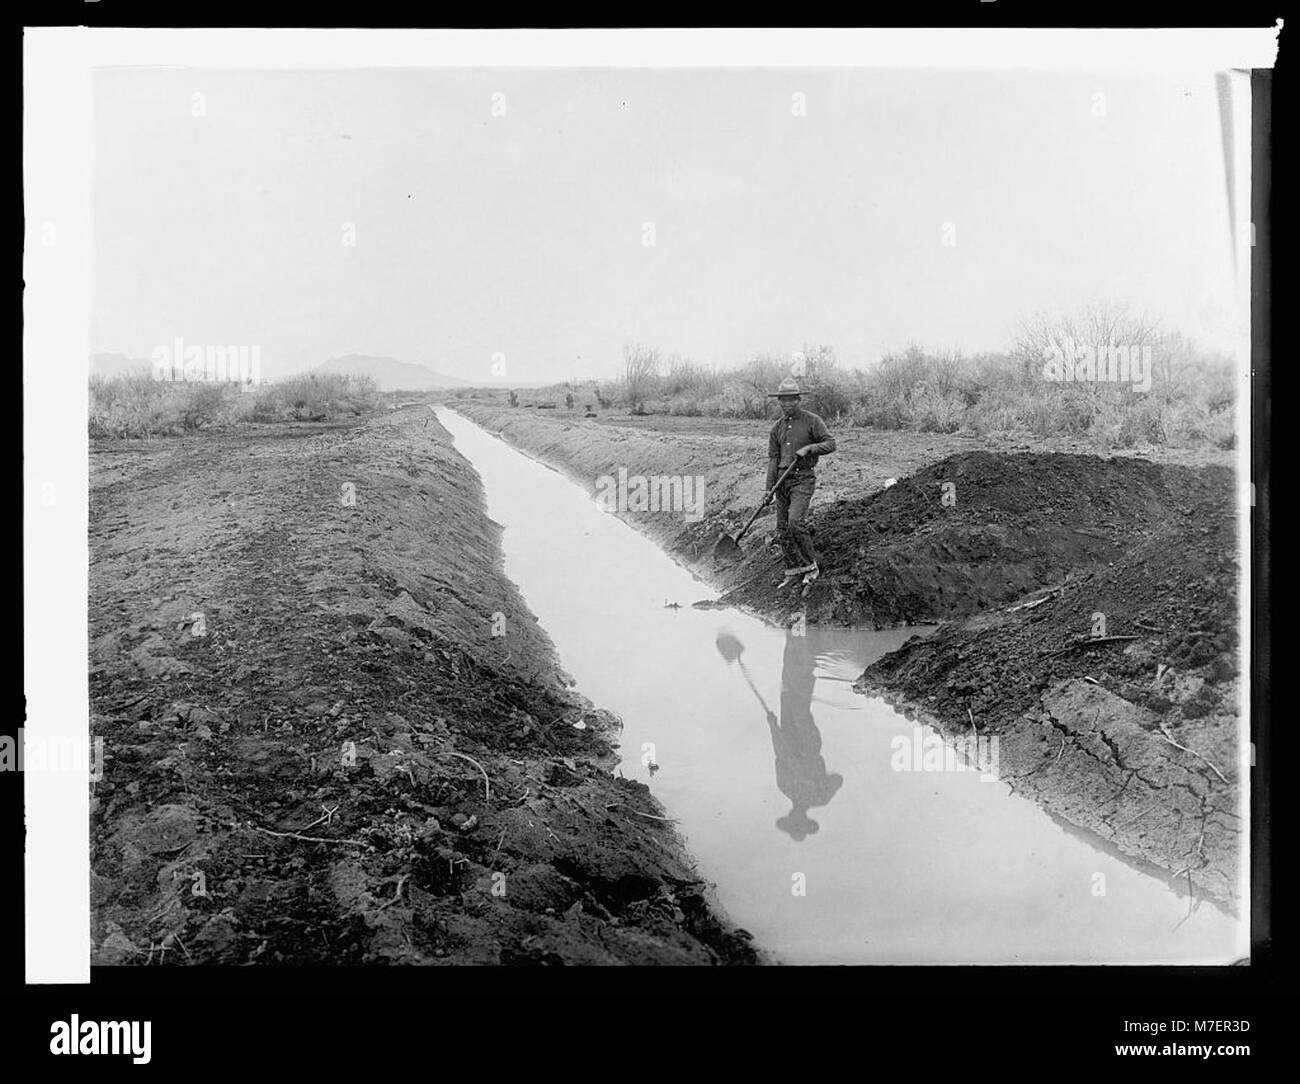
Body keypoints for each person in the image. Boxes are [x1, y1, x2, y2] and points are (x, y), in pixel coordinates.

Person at [765, 377, 836, 580]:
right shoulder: (776, 428)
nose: (787, 404)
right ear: (779, 402)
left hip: (802, 479)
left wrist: (810, 448)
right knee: (783, 528)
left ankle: (811, 567)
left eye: (791, 400)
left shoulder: (812, 421)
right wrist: (768, 489)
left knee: (795, 522)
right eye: (783, 400)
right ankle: (793, 571)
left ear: (798, 400)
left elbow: (831, 443)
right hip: (781, 482)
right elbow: (773, 459)